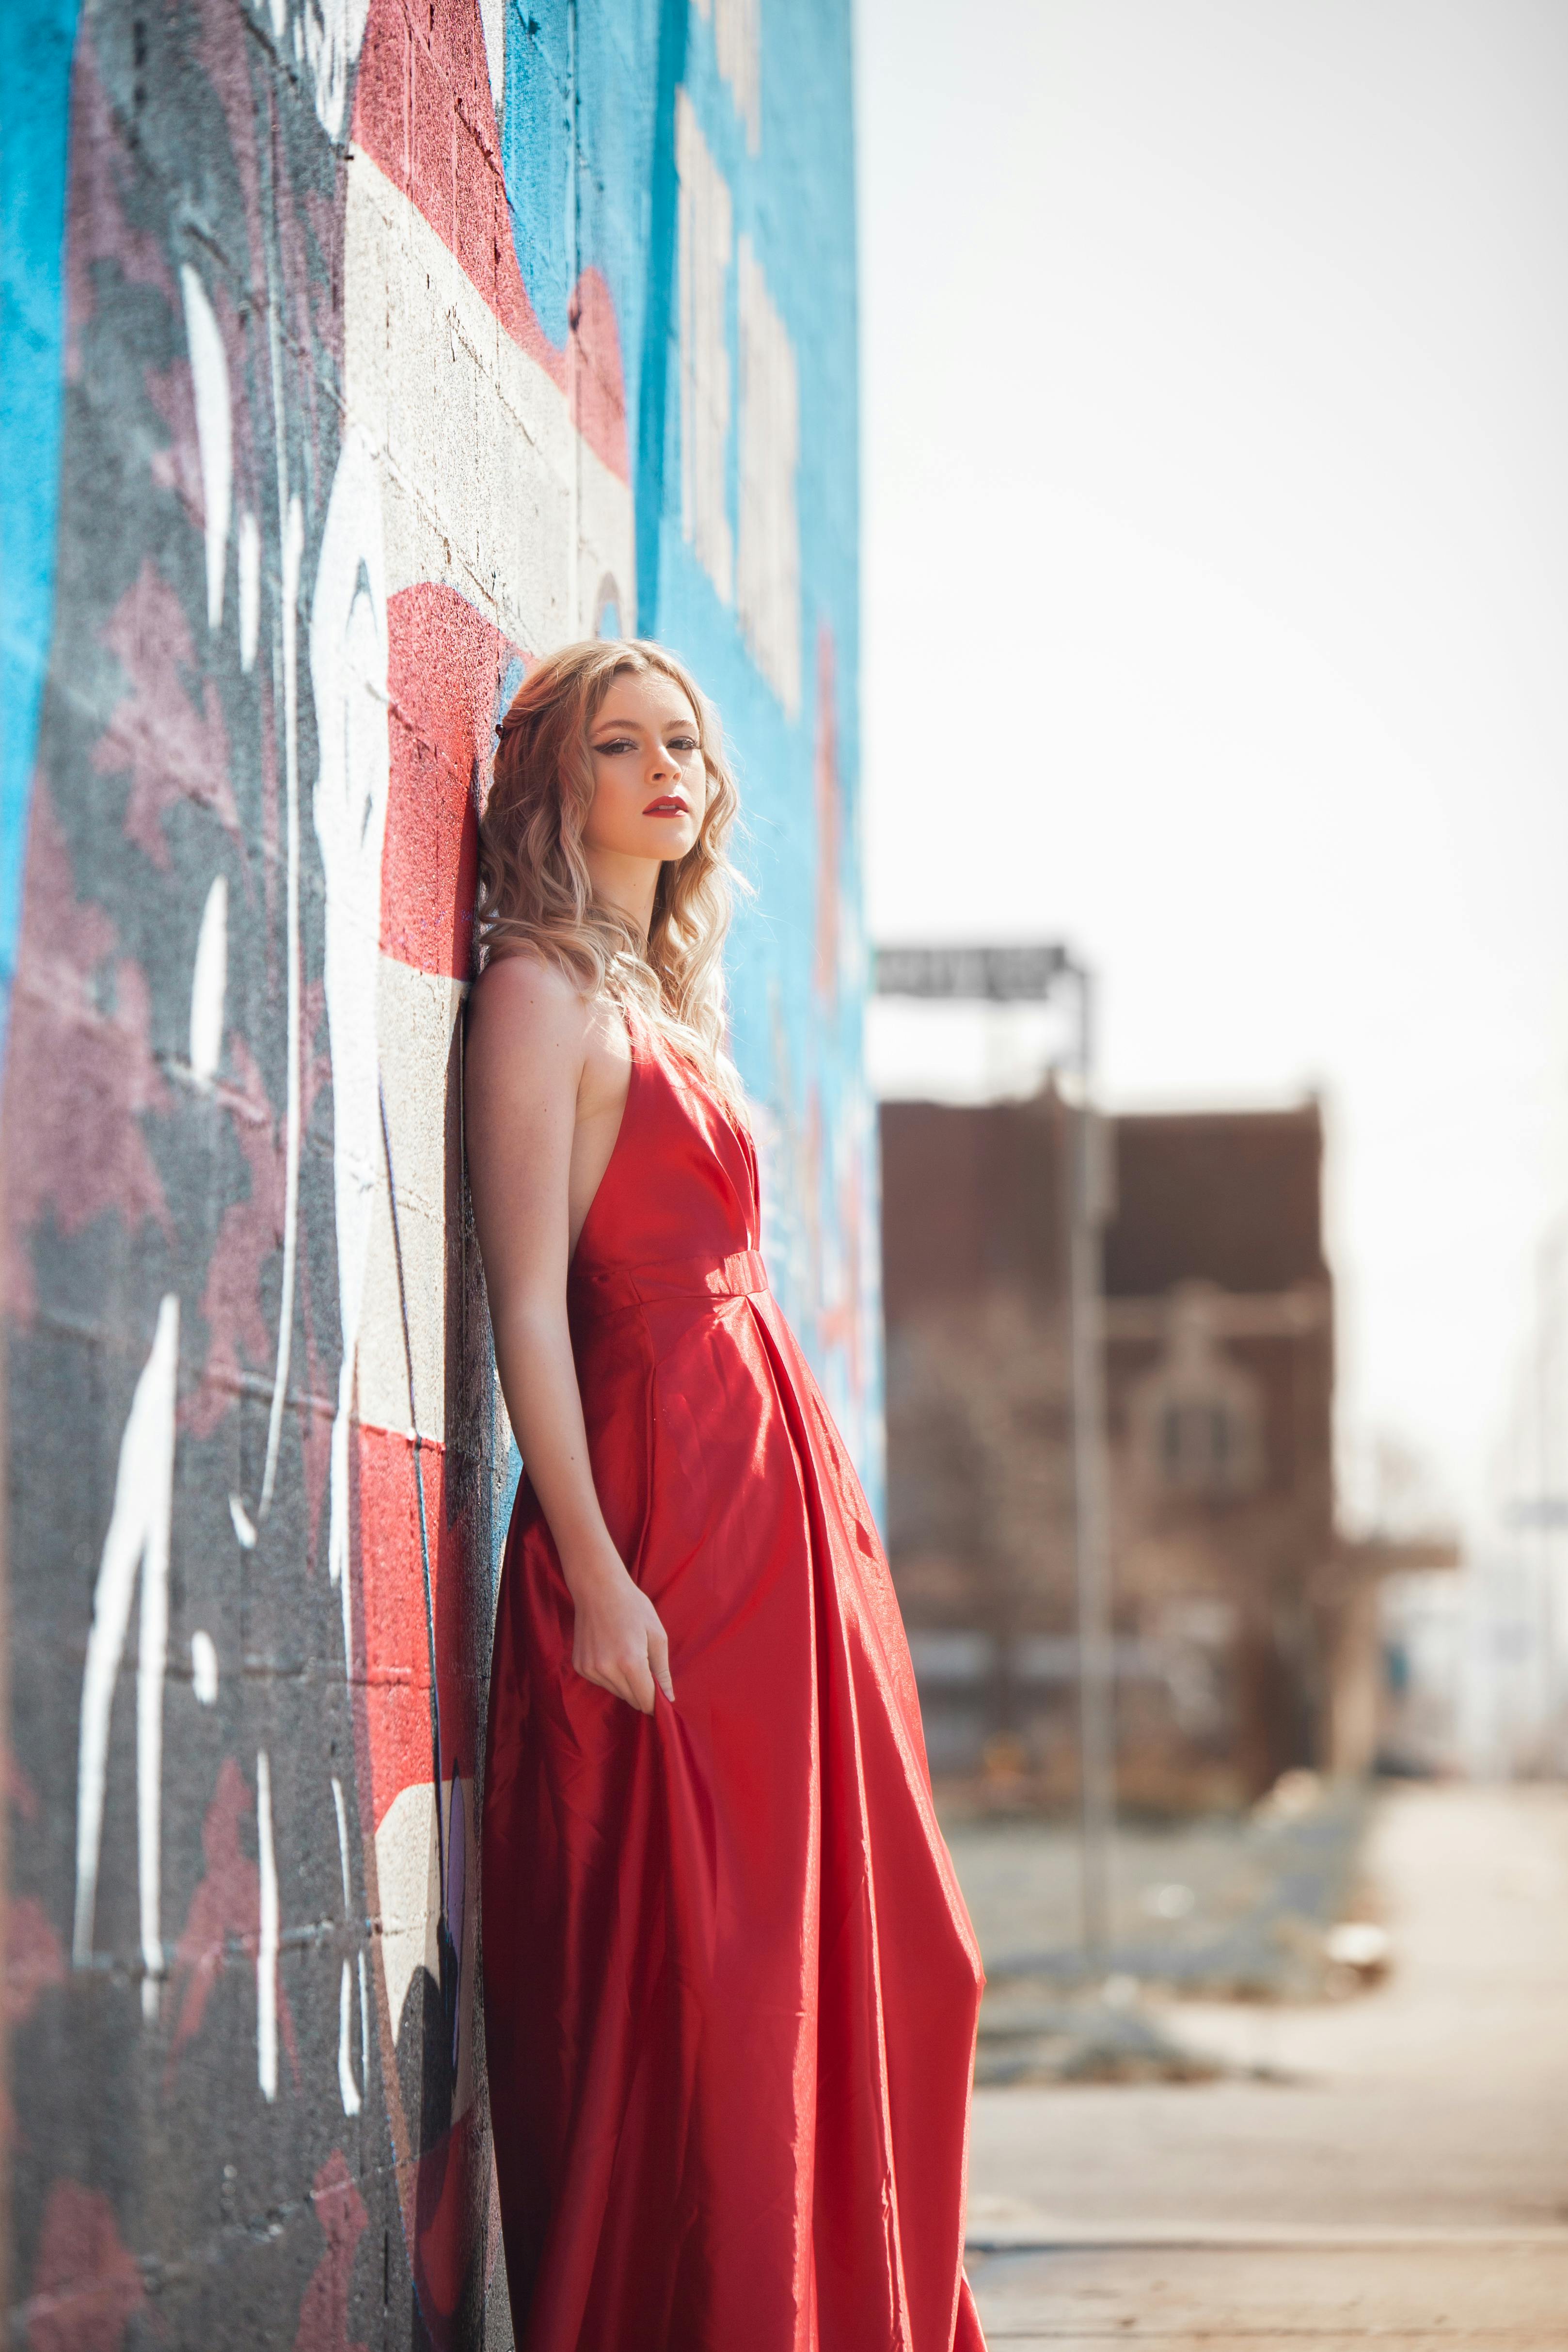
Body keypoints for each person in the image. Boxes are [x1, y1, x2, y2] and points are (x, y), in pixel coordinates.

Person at [465, 638, 988, 2351]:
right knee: (724, 1979)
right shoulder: (538, 990)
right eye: (621, 744)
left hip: (780, 1532)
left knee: (891, 1944)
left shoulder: (658, 990)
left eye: (684, 741)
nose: (665, 769)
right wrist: (599, 1575)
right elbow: (529, 1302)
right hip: (661, 1523)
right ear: (563, 781)